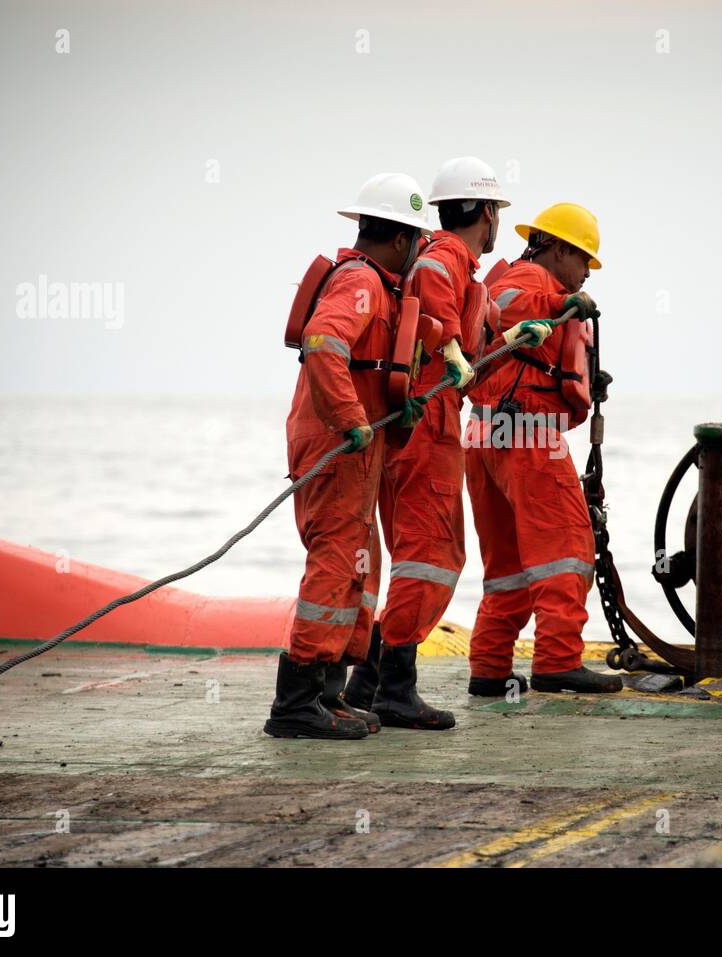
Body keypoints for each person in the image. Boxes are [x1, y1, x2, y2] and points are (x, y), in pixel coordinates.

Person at [343, 156, 513, 729]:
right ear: (486, 213)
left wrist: (511, 337)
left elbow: (472, 340)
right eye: (496, 216)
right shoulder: (446, 260)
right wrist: (453, 354)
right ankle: (394, 686)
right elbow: (438, 319)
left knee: (419, 554)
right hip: (427, 422)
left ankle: (370, 681)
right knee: (432, 553)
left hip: (417, 420)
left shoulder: (461, 270)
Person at [264, 172, 432, 740]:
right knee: (336, 562)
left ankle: (327, 694)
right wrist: (352, 420)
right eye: (416, 242)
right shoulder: (360, 284)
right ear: (400, 239)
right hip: (336, 444)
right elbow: (322, 345)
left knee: (359, 563)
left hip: (353, 444)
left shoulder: (376, 287)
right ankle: (295, 702)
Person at [463, 203, 624, 695]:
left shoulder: (533, 285)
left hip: (487, 435)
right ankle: (557, 663)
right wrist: (561, 308)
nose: (583, 275)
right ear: (557, 248)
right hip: (528, 436)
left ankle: (489, 671)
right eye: (582, 261)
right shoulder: (529, 282)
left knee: (508, 566)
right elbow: (507, 306)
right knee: (568, 550)